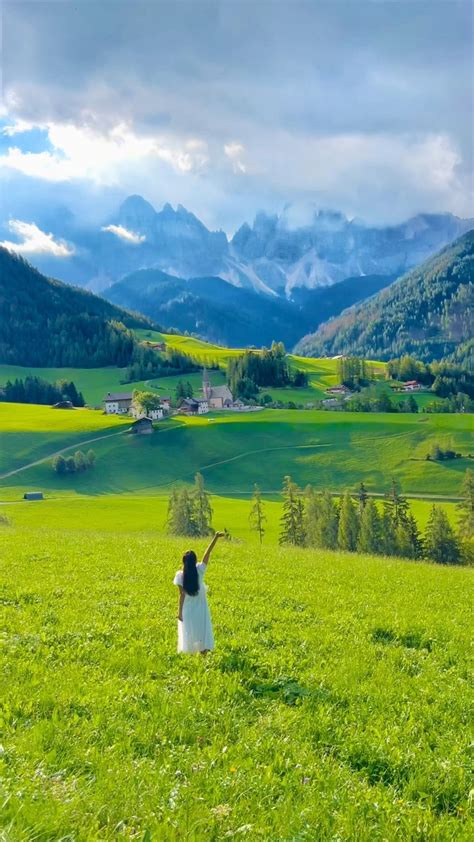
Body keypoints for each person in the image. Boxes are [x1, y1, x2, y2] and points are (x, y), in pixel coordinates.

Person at [173, 532, 225, 654]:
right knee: (202, 631)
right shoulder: (200, 571)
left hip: (187, 609)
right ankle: (203, 656)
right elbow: (207, 553)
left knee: (189, 632)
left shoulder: (180, 576)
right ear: (195, 561)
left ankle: (191, 656)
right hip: (201, 607)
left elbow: (181, 595)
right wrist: (215, 538)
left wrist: (179, 612)